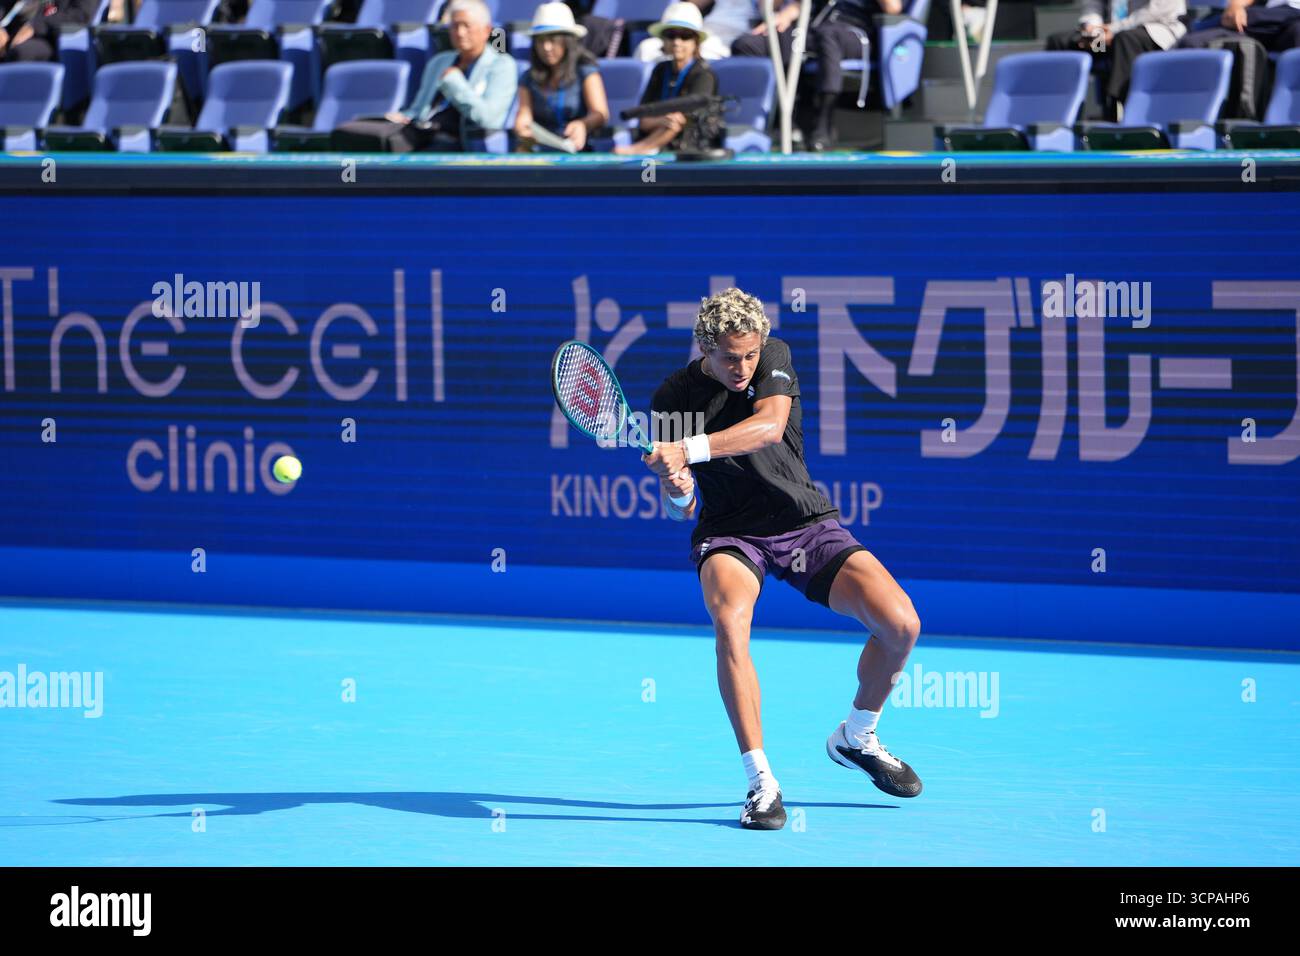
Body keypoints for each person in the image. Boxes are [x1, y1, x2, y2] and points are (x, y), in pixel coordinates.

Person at [642, 288, 923, 831]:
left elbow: (768, 427)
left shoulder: (774, 356)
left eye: (749, 354)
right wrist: (677, 486)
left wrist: (689, 451)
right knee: (730, 623)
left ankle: (856, 736)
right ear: (703, 347)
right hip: (730, 533)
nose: (742, 366)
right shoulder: (672, 397)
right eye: (729, 357)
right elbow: (683, 510)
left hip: (804, 522)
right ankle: (760, 782)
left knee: (902, 624)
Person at [331, 0, 516, 152]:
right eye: (455, 26)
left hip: (457, 141)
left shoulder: (502, 65)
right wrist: (403, 116)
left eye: (466, 26)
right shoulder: (440, 61)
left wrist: (455, 82)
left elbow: (489, 119)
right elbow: (420, 108)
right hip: (422, 134)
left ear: (486, 30)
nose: (460, 33)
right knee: (354, 135)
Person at [730, 0, 902, 151]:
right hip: (813, 30)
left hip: (855, 34)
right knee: (748, 44)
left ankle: (823, 126)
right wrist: (785, 15)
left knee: (828, 34)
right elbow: (799, 5)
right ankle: (784, 123)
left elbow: (893, 7)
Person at [1044, 0, 1188, 120]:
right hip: (1106, 36)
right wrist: (1092, 28)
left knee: (1124, 40)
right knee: (1060, 42)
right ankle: (1059, 119)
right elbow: (1093, 6)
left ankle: (1123, 112)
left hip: (1157, 31)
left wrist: (1113, 29)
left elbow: (1154, 11)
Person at [613, 2, 718, 155]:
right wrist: (661, 120)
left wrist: (664, 122)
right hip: (658, 134)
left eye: (685, 36)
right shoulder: (660, 69)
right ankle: (645, 149)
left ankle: (638, 150)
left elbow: (686, 121)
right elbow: (643, 120)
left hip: (690, 145)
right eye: (671, 35)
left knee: (674, 122)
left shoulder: (704, 74)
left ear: (696, 42)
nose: (677, 42)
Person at [513, 2, 609, 152]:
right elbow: (524, 114)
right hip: (540, 151)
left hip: (579, 151)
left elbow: (600, 114)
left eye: (553, 40)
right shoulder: (528, 77)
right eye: (540, 41)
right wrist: (522, 126)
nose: (546, 47)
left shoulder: (586, 71)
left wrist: (583, 124)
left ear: (568, 41)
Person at [632, 0, 754, 61]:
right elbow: (693, 4)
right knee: (647, 48)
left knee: (701, 53)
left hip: (732, 39)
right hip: (705, 29)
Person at [1179, 0, 1300, 54]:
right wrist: (1235, 7)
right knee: (1190, 42)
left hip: (1292, 19)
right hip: (1263, 24)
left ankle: (1203, 24)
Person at [0, 0, 99, 62]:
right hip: (16, 31)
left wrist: (35, 27)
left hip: (54, 39)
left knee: (21, 52)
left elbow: (79, 17)